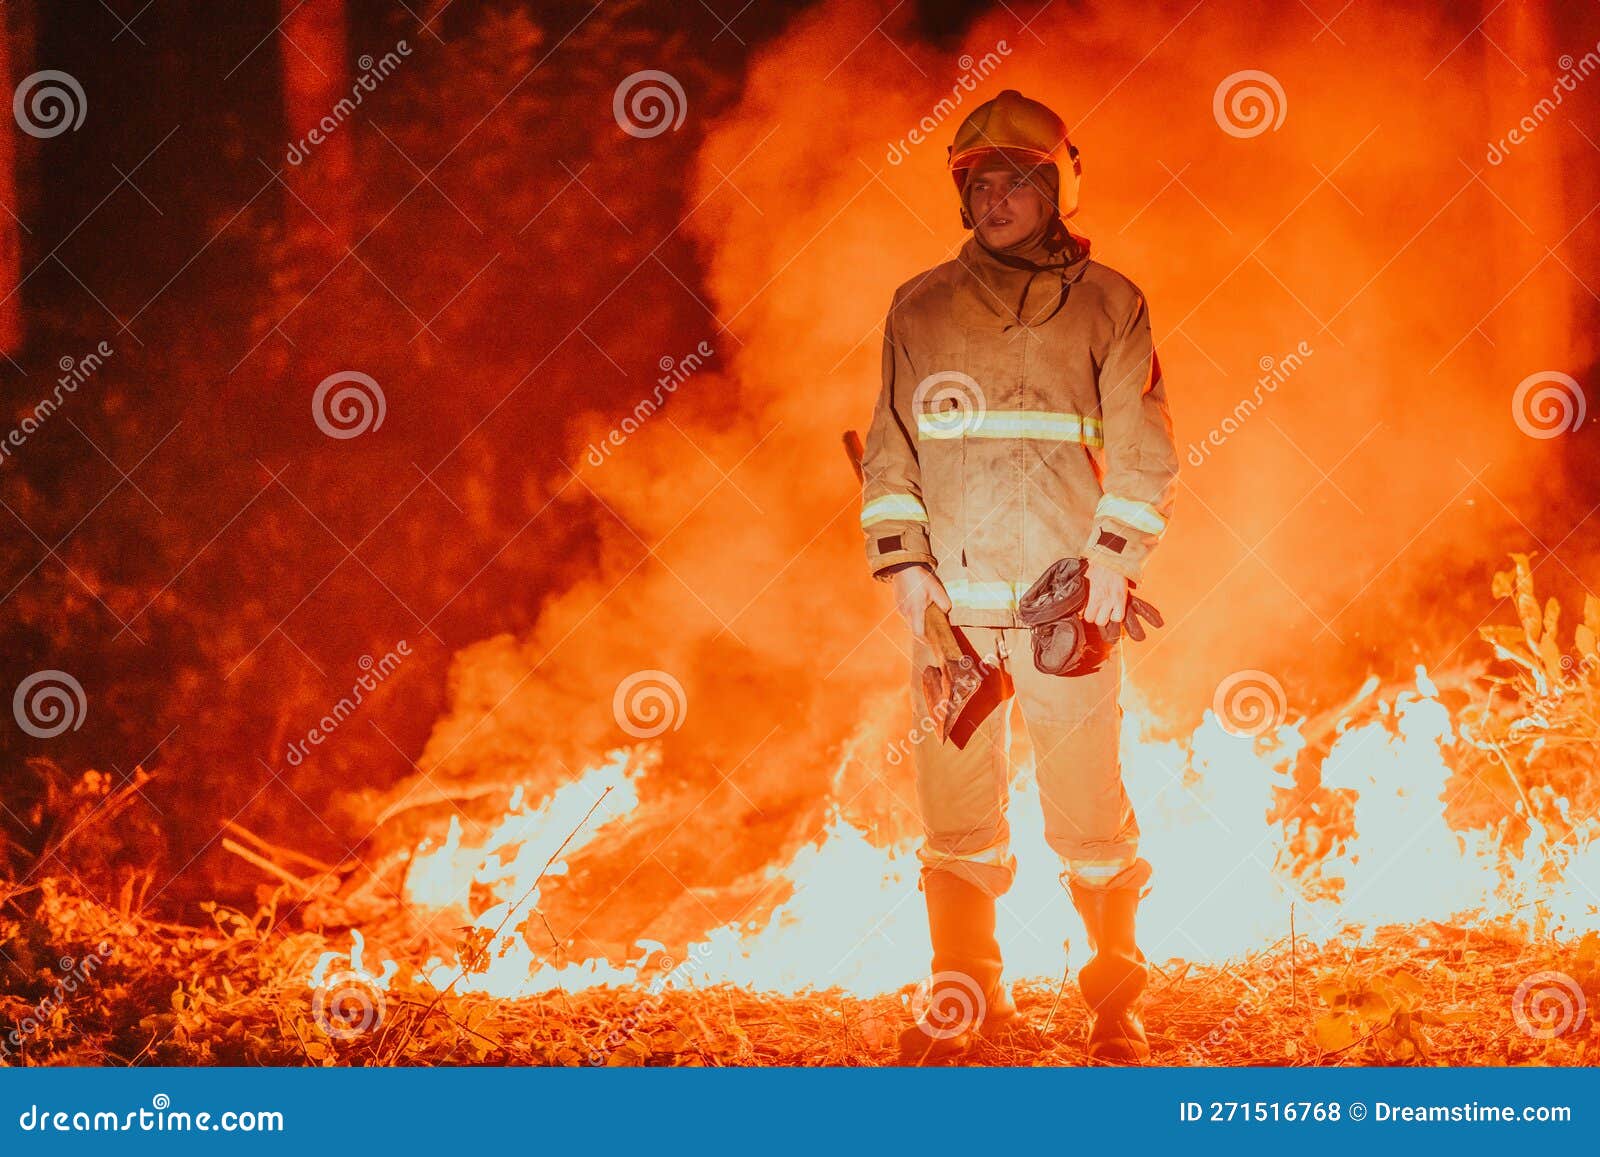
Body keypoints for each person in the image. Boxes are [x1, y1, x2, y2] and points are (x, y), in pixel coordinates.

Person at [858, 90, 1180, 1063]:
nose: (997, 198)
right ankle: (964, 993)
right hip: (950, 615)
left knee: (1087, 811)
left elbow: (1144, 450)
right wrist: (903, 566)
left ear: (1057, 188)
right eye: (980, 182)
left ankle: (1115, 998)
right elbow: (888, 454)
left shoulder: (1108, 303)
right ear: (962, 197)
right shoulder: (918, 306)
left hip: (1065, 612)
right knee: (954, 810)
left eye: (1017, 179)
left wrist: (1113, 563)